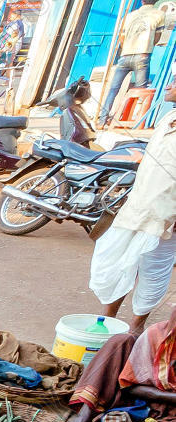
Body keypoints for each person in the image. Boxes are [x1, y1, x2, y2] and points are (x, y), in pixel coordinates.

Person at [84, 80, 176, 350]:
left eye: (175, 82)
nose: (169, 85)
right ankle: (107, 319)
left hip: (167, 215)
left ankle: (136, 325)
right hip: (139, 205)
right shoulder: (169, 118)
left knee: (153, 270)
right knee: (123, 260)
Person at [99, 0, 176, 126]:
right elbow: (157, 37)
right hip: (142, 55)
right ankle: (135, 121)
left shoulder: (129, 15)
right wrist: (148, 47)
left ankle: (102, 119)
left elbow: (122, 37)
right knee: (141, 92)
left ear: (142, 1)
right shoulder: (159, 14)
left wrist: (127, 49)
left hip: (125, 55)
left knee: (113, 89)